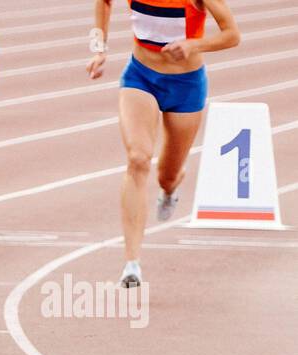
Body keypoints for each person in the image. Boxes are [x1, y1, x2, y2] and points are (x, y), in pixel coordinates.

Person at [88, 0, 239, 287]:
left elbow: (232, 34)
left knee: (166, 175)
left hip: (186, 85)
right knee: (138, 158)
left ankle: (170, 187)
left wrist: (194, 45)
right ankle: (131, 264)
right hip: (140, 77)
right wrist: (99, 48)